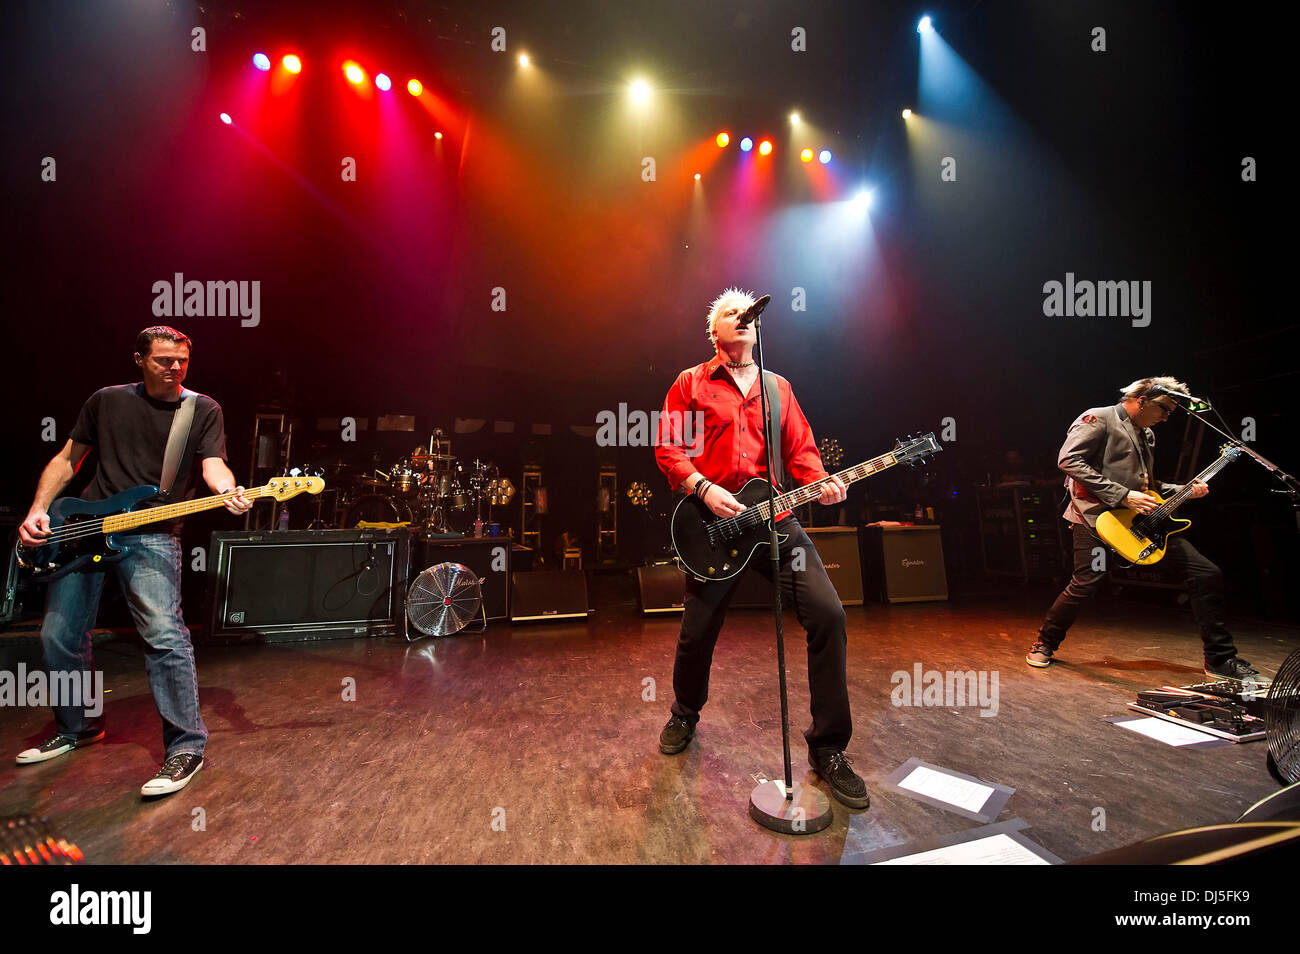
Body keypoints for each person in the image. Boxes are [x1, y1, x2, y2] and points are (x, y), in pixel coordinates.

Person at [15, 326, 253, 795]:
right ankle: (78, 726)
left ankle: (186, 747)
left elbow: (211, 464)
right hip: (85, 527)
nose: (175, 368)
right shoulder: (106, 400)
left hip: (153, 535)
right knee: (58, 634)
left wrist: (228, 491)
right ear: (140, 360)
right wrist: (39, 508)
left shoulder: (201, 409)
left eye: (183, 360)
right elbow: (68, 459)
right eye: (165, 360)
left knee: (165, 636)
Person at [654, 288, 868, 809]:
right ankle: (685, 711)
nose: (743, 318)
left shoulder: (779, 388)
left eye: (748, 314)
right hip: (714, 524)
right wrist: (703, 487)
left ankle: (829, 749)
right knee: (699, 630)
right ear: (714, 332)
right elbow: (668, 447)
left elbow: (802, 452)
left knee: (829, 615)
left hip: (776, 521)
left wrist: (824, 482)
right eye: (731, 313)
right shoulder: (690, 383)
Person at [1026, 376, 1259, 682]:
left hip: (1139, 522)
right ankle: (1045, 642)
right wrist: (1122, 496)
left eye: (1172, 412)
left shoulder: (1146, 434)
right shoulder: (1099, 418)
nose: (1166, 416)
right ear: (1141, 399)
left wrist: (1185, 489)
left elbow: (1147, 484)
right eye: (1164, 408)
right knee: (1086, 583)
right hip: (1096, 517)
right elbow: (1069, 460)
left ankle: (1220, 659)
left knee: (1205, 572)